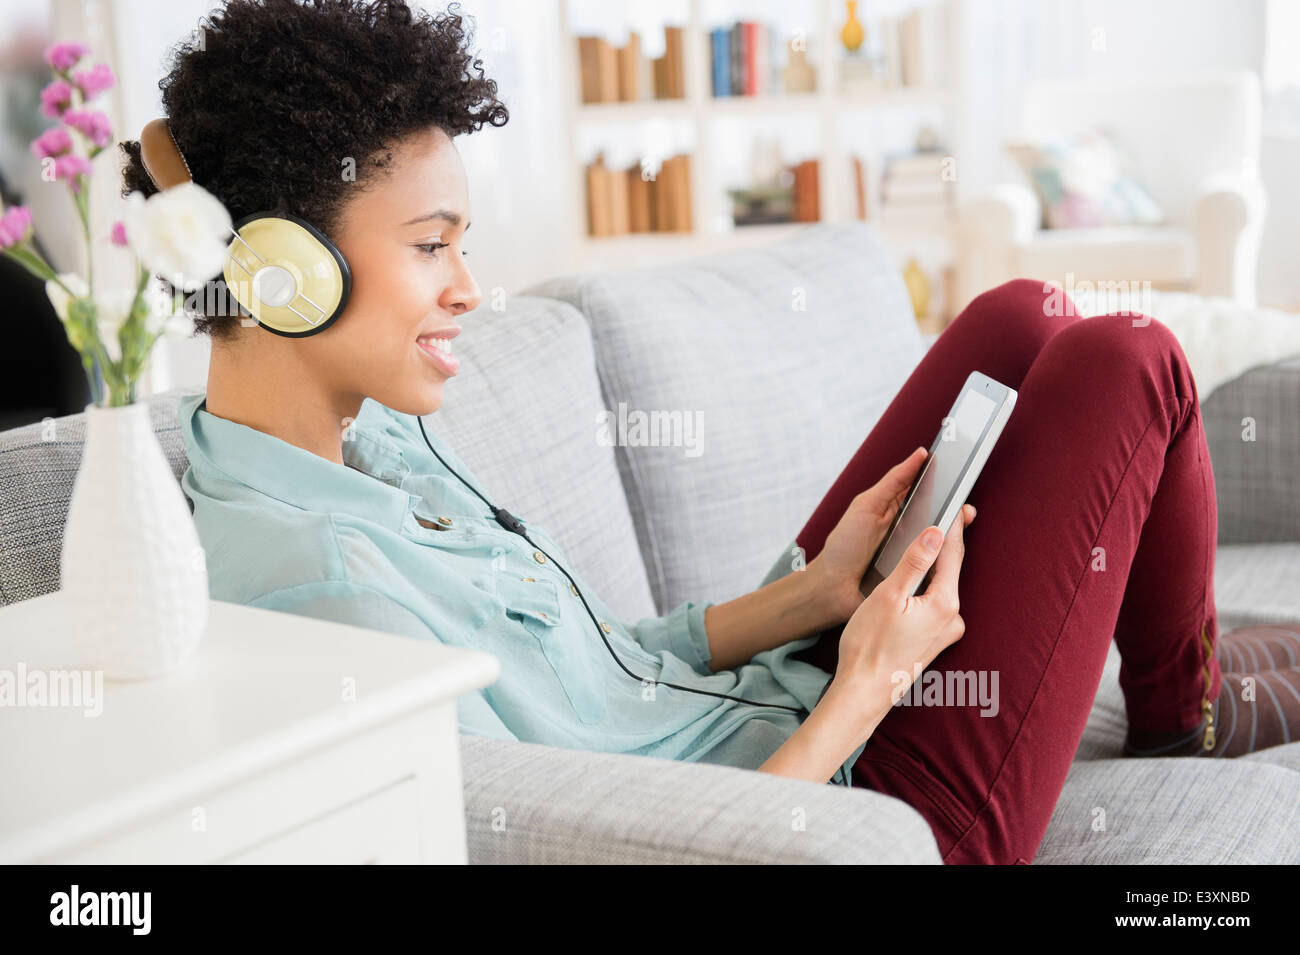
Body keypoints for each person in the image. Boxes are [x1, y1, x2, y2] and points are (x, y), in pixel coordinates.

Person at [120, 0, 1300, 865]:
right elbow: (618, 846)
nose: (471, 287)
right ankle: (1184, 702)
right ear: (276, 275)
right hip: (857, 811)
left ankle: (1173, 663)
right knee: (1128, 360)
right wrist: (872, 683)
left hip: (795, 694)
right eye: (433, 245)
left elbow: (604, 680)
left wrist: (820, 592)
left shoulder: (365, 446)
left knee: (1018, 315)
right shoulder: (328, 596)